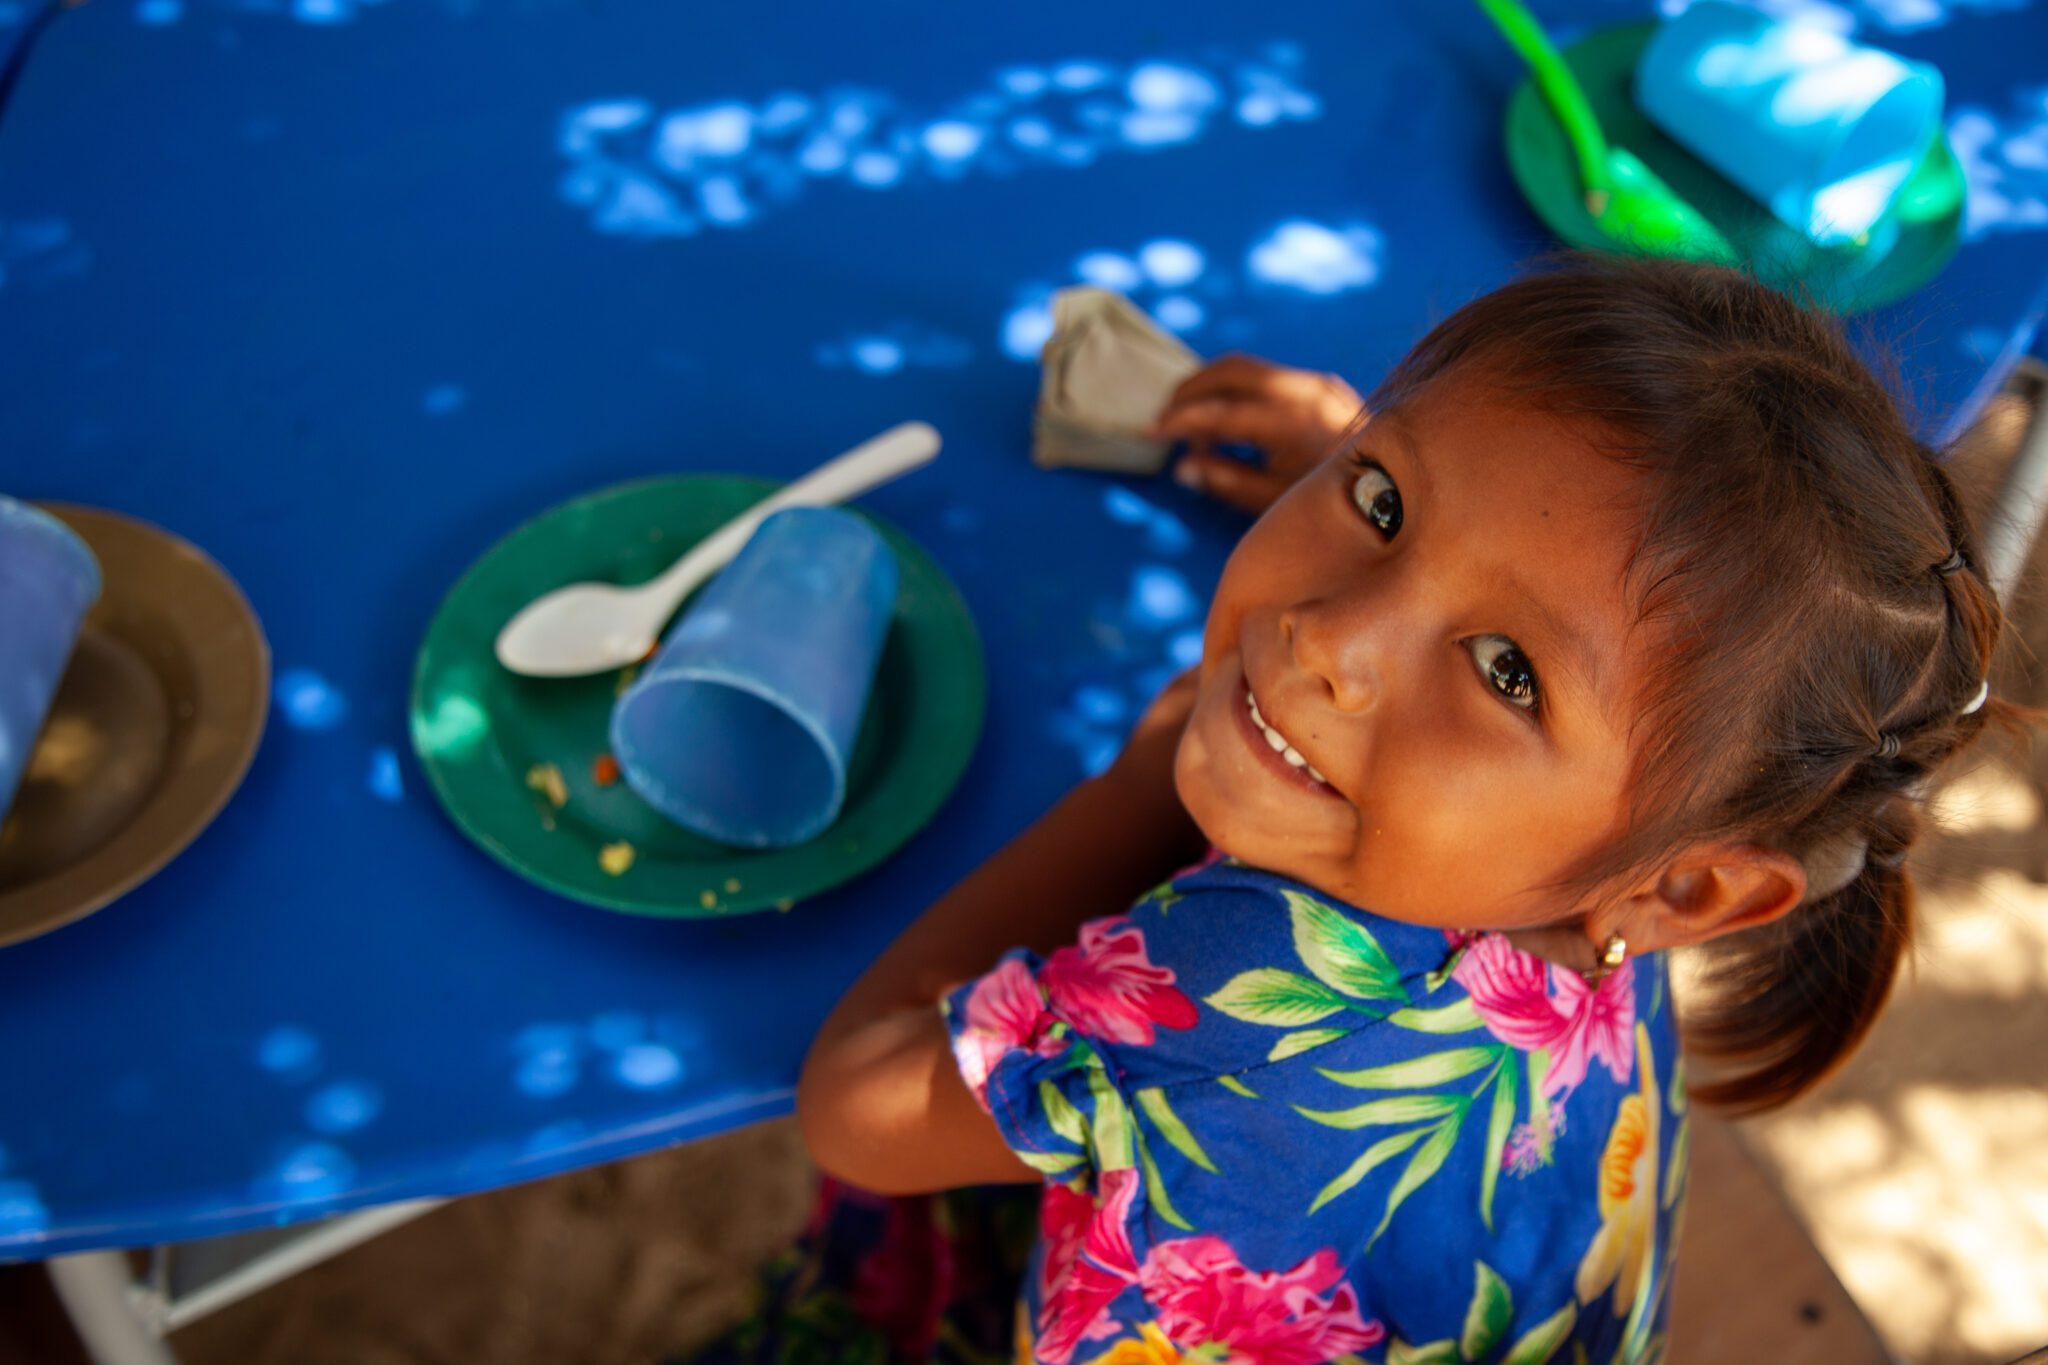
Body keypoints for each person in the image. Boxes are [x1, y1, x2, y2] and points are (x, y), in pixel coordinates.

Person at [701, 256, 2010, 1364]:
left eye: (1508, 670)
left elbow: (857, 1100)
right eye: (1382, 501)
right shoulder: (1606, 879)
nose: (1328, 636)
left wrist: (1156, 769)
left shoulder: (1238, 996)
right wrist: (1392, 466)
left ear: (1686, 890)